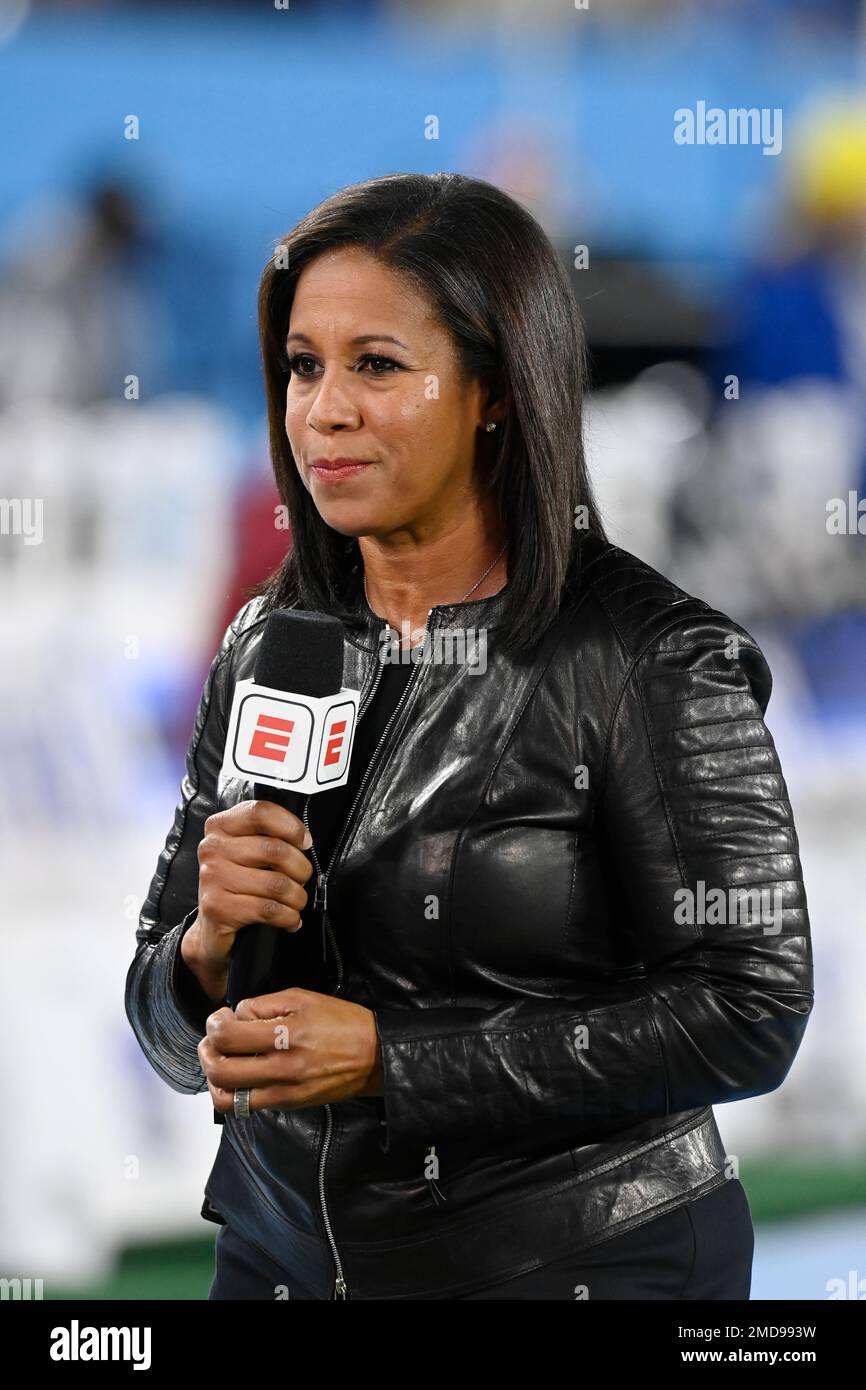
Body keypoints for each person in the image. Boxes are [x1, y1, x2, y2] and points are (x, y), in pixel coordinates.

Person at [125, 172, 813, 1301]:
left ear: (493, 387)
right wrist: (202, 950)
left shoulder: (649, 657)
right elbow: (158, 1017)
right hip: (278, 1257)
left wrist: (392, 1061)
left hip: (574, 1259)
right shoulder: (268, 640)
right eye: (303, 366)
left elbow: (750, 1010)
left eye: (376, 365)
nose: (323, 410)